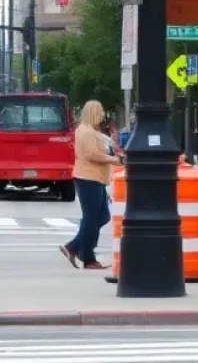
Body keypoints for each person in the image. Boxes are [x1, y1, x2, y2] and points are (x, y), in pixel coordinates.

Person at [60, 100, 120, 271]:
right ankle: (87, 257)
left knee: (101, 217)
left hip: (96, 179)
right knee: (92, 218)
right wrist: (113, 159)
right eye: (100, 112)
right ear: (93, 113)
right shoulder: (86, 132)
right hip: (88, 178)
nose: (102, 115)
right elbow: (91, 154)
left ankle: (75, 247)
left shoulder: (90, 131)